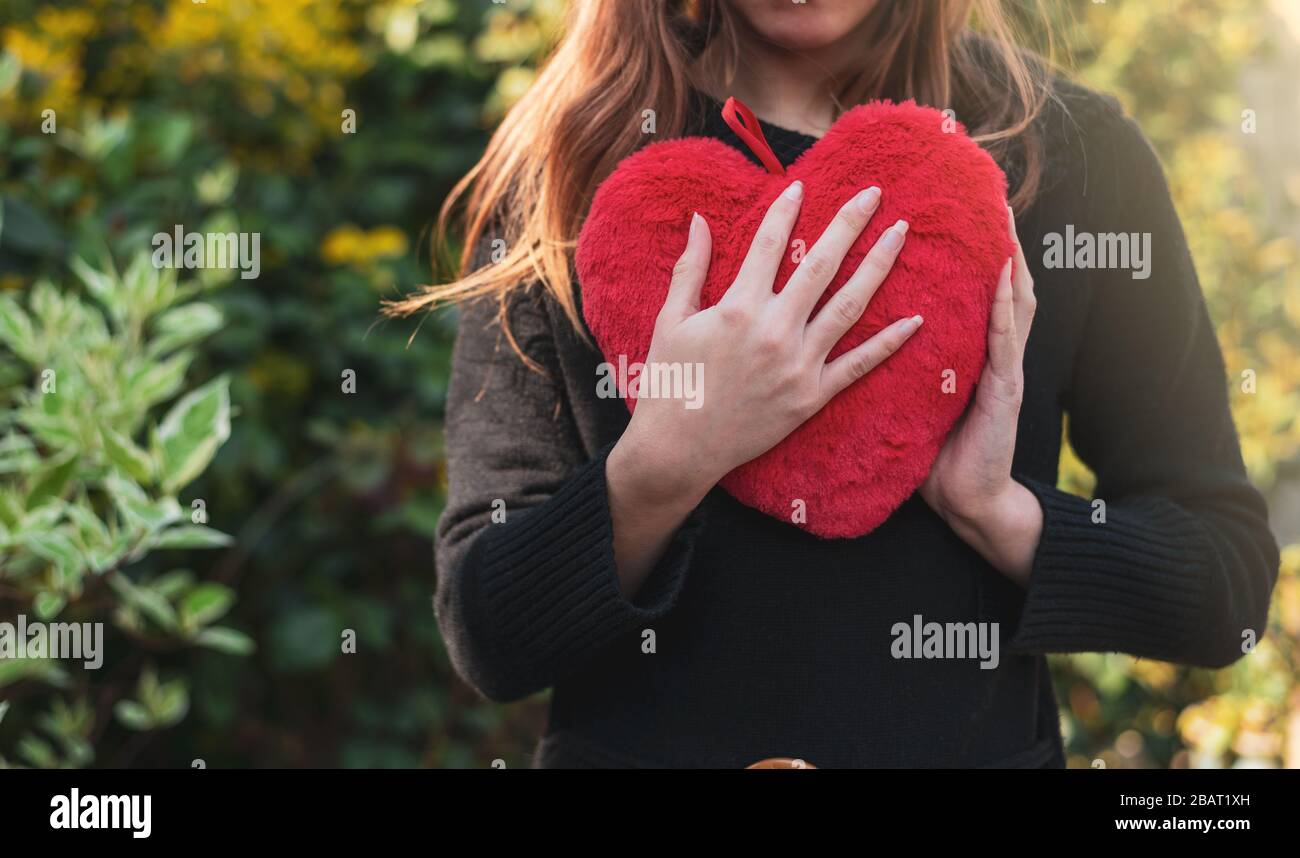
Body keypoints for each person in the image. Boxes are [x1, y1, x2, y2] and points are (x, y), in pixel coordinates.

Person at [393, 0, 1280, 768]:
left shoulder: (1076, 161)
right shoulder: (572, 166)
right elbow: (489, 633)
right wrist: (664, 465)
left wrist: (996, 512)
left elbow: (1225, 589)